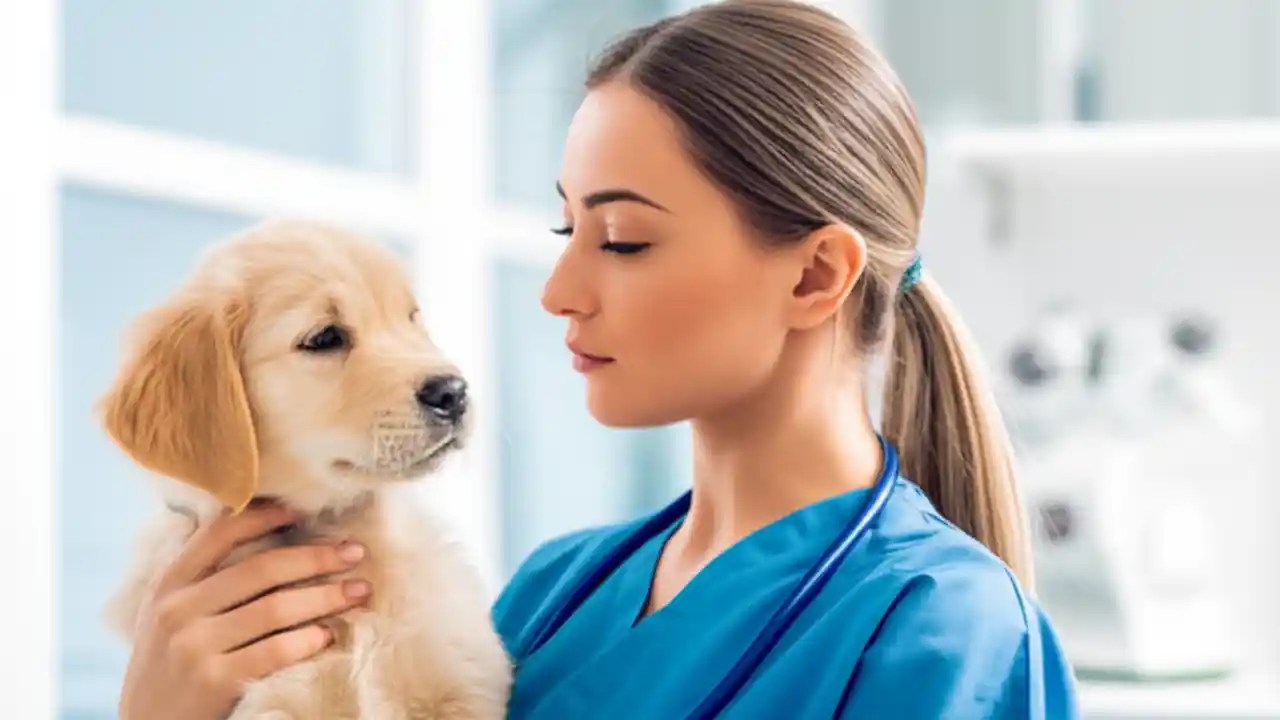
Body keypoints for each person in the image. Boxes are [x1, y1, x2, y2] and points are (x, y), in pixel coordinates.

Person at [117, 2, 1077, 718]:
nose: (558, 289)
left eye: (620, 239)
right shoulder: (551, 595)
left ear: (815, 275)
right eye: (563, 227)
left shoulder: (946, 629)